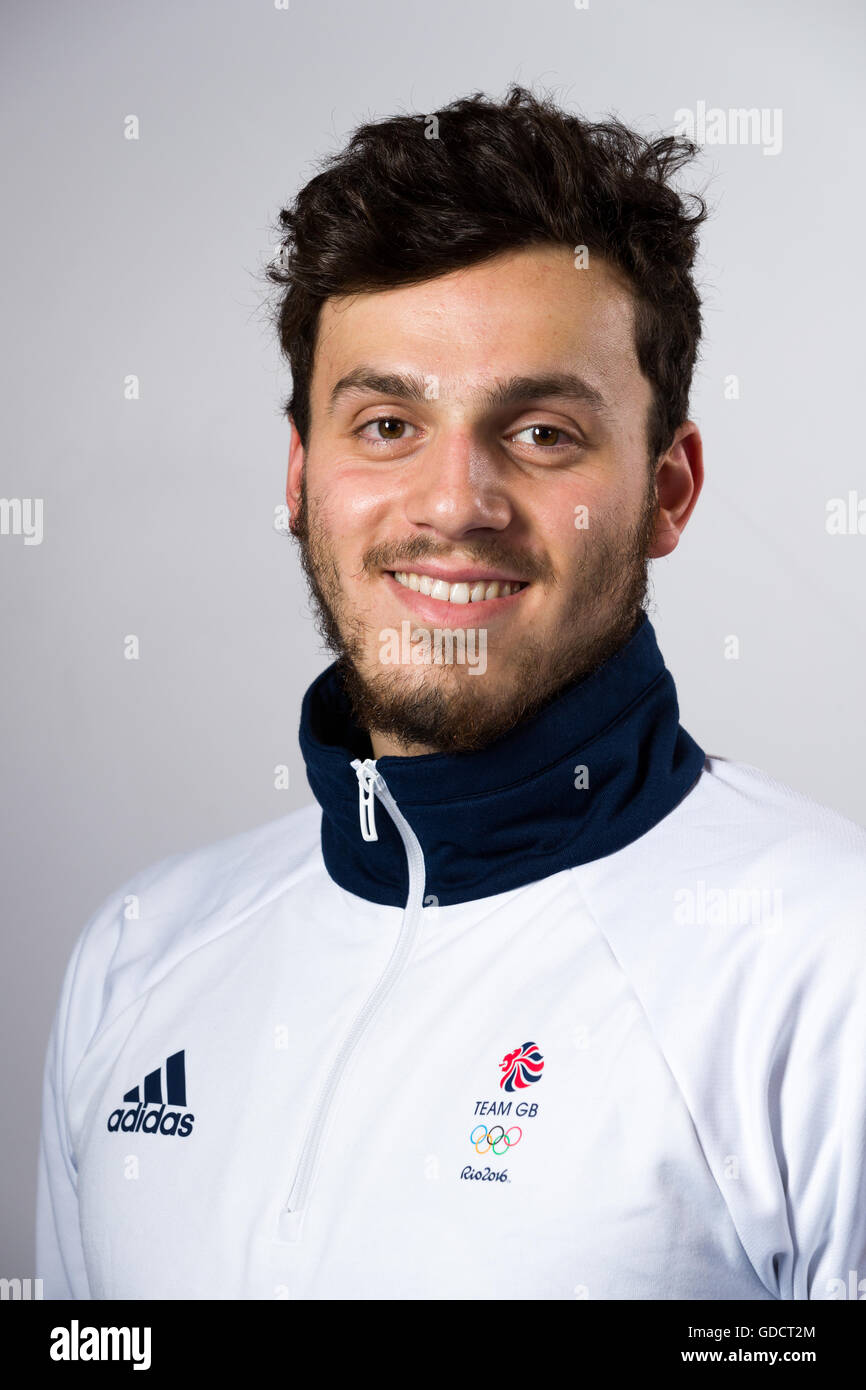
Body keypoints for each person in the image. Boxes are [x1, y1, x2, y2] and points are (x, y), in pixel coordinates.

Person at [37, 85, 866, 1301]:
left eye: (539, 433)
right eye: (385, 423)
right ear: (301, 474)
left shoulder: (823, 964)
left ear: (666, 490)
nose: (451, 503)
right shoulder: (138, 952)